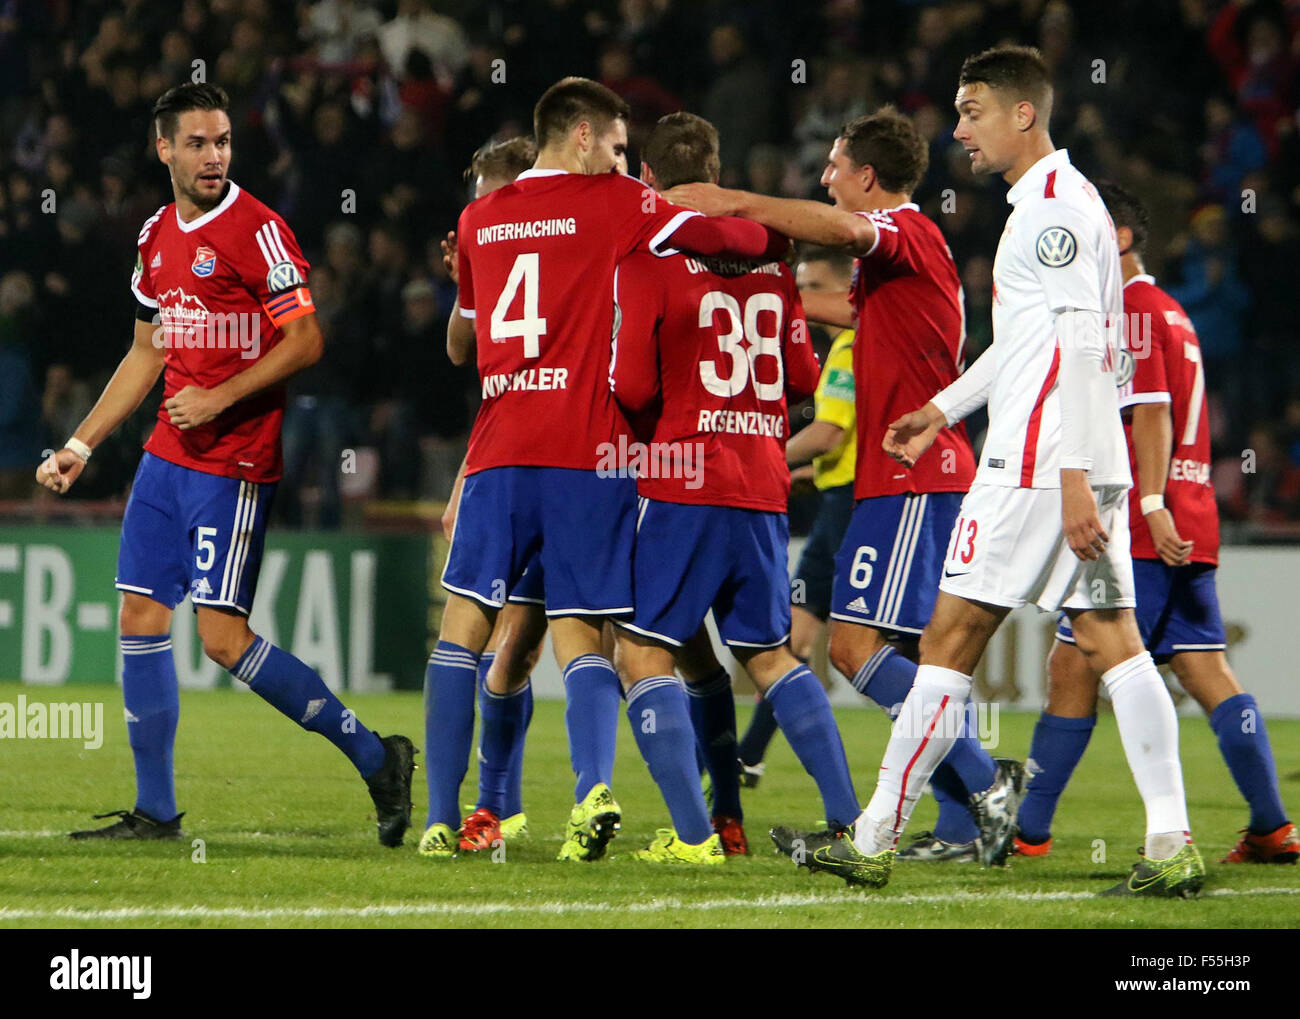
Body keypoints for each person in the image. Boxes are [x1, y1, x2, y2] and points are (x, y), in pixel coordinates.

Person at [772, 45, 1204, 897]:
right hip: (1074, 454)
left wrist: (1070, 474)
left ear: (1023, 114)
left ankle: (872, 839)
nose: (959, 129)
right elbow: (1027, 343)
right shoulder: (1062, 201)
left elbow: (1081, 344)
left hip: (1041, 461)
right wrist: (943, 406)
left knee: (948, 640)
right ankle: (1172, 841)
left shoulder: (1049, 209)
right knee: (1117, 643)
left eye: (972, 112)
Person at [37, 84, 415, 847]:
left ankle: (379, 756)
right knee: (139, 616)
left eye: (223, 143)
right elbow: (147, 351)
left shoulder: (260, 231)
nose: (215, 157)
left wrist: (219, 397)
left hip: (235, 462)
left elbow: (306, 339)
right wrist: (81, 444)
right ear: (164, 148)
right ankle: (156, 811)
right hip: (166, 459)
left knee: (222, 639)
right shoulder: (154, 235)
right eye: (200, 143)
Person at [421, 77, 788, 860]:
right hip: (591, 452)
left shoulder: (479, 217)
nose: (629, 161)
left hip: (498, 451)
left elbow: (463, 344)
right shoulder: (622, 203)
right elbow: (728, 231)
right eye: (621, 146)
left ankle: (441, 817)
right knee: (585, 631)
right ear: (583, 135)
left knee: (464, 632)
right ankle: (593, 784)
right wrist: (787, 242)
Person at [668, 107, 1015, 864]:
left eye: (833, 167)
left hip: (911, 475)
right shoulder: (897, 273)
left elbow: (849, 233)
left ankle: (990, 783)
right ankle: (961, 825)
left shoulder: (904, 231)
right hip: (912, 476)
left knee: (855, 648)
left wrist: (732, 204)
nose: (826, 181)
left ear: (866, 175)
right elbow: (841, 308)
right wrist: (748, 289)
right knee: (924, 658)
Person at [1014, 181, 1297, 865]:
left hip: (1143, 521)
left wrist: (1147, 503)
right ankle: (1272, 825)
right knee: (1204, 668)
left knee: (1074, 665)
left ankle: (1026, 833)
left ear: (1119, 238)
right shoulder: (1171, 311)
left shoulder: (1131, 309)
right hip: (1189, 511)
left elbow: (1149, 410)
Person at [611, 112, 860, 863]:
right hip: (761, 478)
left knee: (642, 655)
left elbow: (630, 383)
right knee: (770, 656)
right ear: (716, 172)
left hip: (684, 476)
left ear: (648, 177)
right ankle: (851, 821)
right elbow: (802, 380)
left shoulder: (647, 250)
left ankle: (694, 838)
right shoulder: (774, 255)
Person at [734, 247, 858, 788]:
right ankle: (749, 755)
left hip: (850, 509)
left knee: (876, 652)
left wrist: (758, 453)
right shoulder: (846, 349)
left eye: (809, 286)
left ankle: (974, 774)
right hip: (845, 497)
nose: (798, 298)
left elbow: (828, 433)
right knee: (800, 642)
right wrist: (809, 471)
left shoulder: (851, 348)